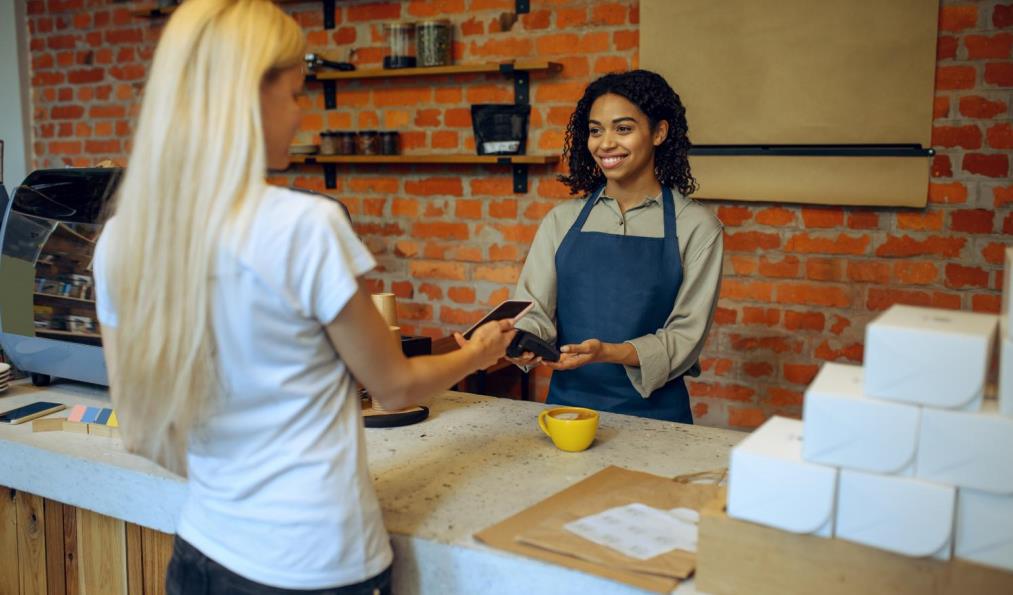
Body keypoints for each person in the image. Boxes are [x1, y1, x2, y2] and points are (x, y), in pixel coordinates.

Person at [91, 2, 514, 594]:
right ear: (246, 96)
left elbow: (139, 431)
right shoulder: (302, 226)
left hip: (202, 553)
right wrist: (477, 353)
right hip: (315, 562)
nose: (299, 114)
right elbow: (392, 388)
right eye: (293, 94)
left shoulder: (123, 238)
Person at [510, 70, 724, 424]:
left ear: (659, 132)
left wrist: (608, 352)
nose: (605, 143)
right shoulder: (561, 221)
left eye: (622, 129)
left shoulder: (697, 227)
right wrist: (520, 341)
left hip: (657, 421)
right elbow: (534, 311)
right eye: (596, 131)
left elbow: (686, 337)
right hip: (566, 415)